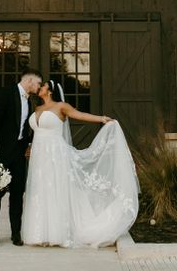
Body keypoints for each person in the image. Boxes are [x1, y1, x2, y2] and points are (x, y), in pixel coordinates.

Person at [20, 78, 139, 248]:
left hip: (56, 155)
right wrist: (29, 146)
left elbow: (80, 115)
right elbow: (34, 132)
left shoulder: (61, 106)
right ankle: (40, 233)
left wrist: (101, 118)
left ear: (50, 90)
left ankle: (57, 234)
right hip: (39, 158)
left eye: (43, 85)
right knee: (40, 190)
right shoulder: (37, 108)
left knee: (56, 191)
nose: (39, 87)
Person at [0, 69, 42, 247]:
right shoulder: (5, 93)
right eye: (38, 83)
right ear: (30, 81)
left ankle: (15, 233)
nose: (39, 87)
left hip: (18, 153)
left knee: (17, 194)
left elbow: (26, 127)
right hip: (0, 151)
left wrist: (30, 144)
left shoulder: (31, 100)